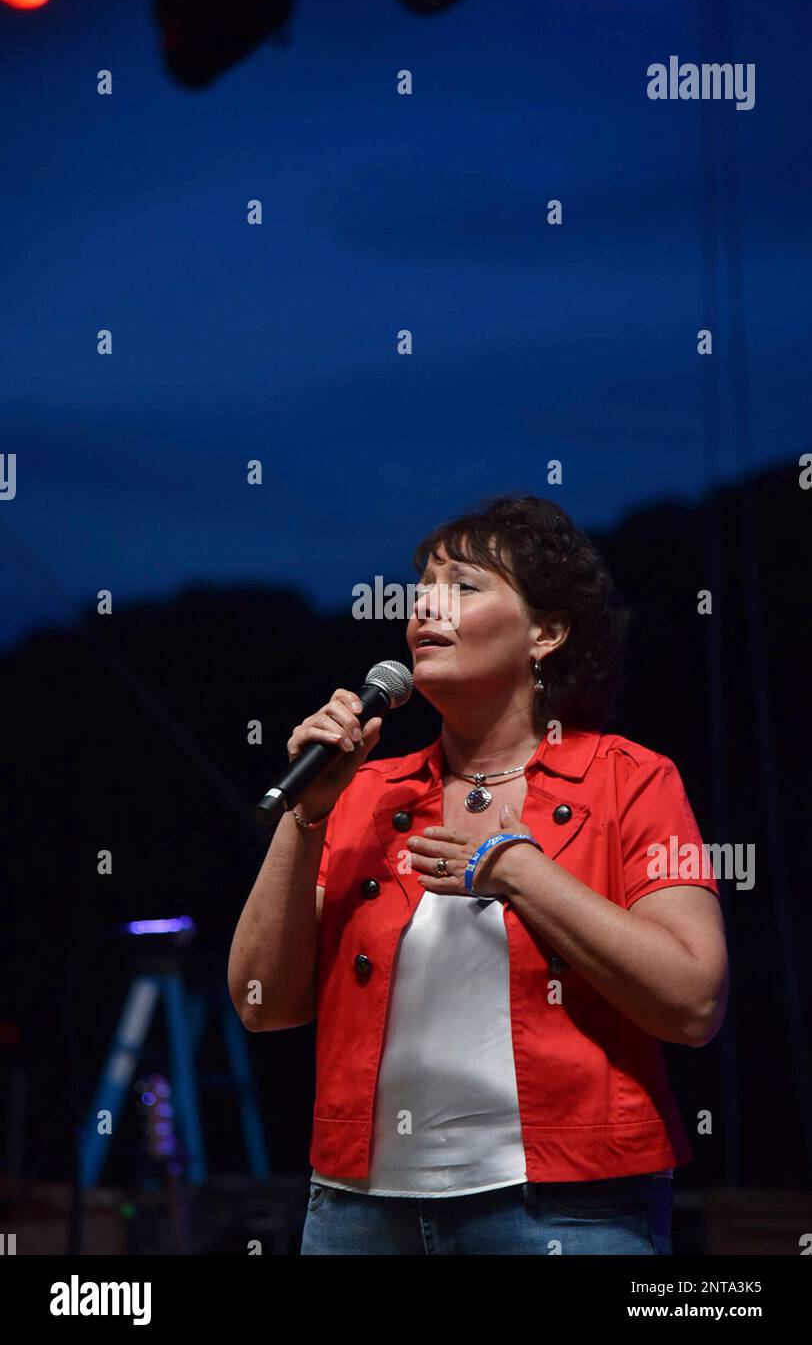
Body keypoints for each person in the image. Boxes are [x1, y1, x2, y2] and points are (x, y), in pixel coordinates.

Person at [228, 493, 729, 1255]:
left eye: (463, 585)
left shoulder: (630, 779)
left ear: (547, 632)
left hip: (567, 1213)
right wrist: (309, 817)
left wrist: (520, 873)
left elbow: (694, 1003)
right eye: (422, 587)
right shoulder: (365, 792)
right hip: (359, 1212)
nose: (427, 604)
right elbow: (262, 1002)